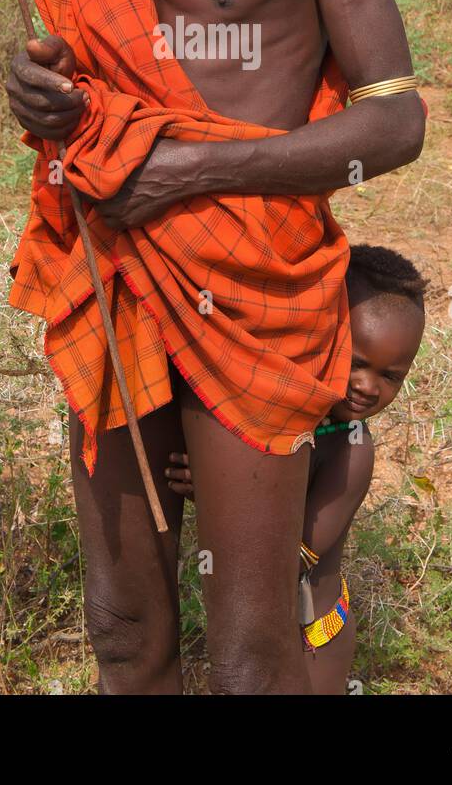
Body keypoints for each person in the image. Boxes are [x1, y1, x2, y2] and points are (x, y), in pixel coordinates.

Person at [5, 0, 426, 695]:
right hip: (115, 266)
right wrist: (40, 95)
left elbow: (394, 121)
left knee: (250, 650)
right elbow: (85, 68)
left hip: (254, 288)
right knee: (124, 627)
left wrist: (194, 167)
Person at [166, 244, 427, 694]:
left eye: (391, 376)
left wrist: (218, 494)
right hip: (270, 629)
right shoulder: (293, 418)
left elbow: (287, 557)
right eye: (358, 363)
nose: (368, 387)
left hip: (314, 637)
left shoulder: (352, 450)